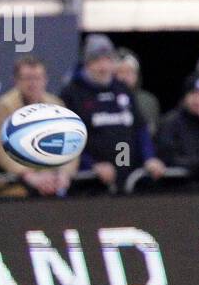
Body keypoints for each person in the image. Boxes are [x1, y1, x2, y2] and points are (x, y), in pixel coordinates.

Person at [60, 34, 166, 190]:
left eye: (108, 60)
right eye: (97, 61)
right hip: (89, 182)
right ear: (87, 63)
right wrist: (91, 165)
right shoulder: (72, 93)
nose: (103, 67)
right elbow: (67, 139)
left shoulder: (122, 89)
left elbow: (140, 128)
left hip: (129, 178)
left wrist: (149, 158)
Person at [0, 55, 79, 198]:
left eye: (38, 78)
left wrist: (64, 174)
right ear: (16, 81)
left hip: (53, 184)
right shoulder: (5, 106)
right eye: (28, 78)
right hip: (14, 185)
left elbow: (71, 143)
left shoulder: (56, 104)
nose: (33, 83)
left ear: (45, 80)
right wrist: (29, 175)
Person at [114, 48, 161, 137]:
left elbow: (152, 131)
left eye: (129, 72)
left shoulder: (148, 101)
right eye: (120, 72)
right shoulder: (103, 98)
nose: (124, 77)